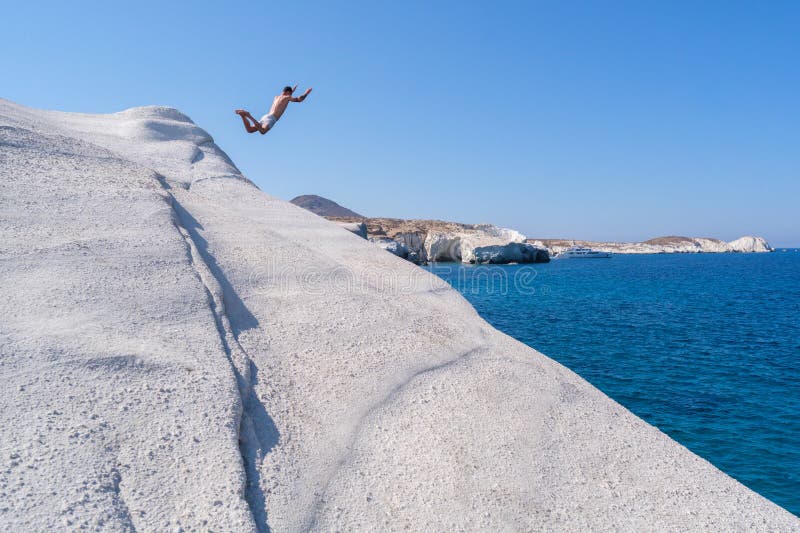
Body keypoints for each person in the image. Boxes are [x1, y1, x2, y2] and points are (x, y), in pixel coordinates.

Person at [235, 85, 312, 135]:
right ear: (288, 92)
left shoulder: (276, 97)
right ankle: (248, 115)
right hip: (272, 118)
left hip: (266, 116)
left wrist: (292, 90)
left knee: (250, 130)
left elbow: (285, 96)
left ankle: (243, 116)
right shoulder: (287, 97)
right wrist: (306, 93)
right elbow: (299, 99)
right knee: (263, 131)